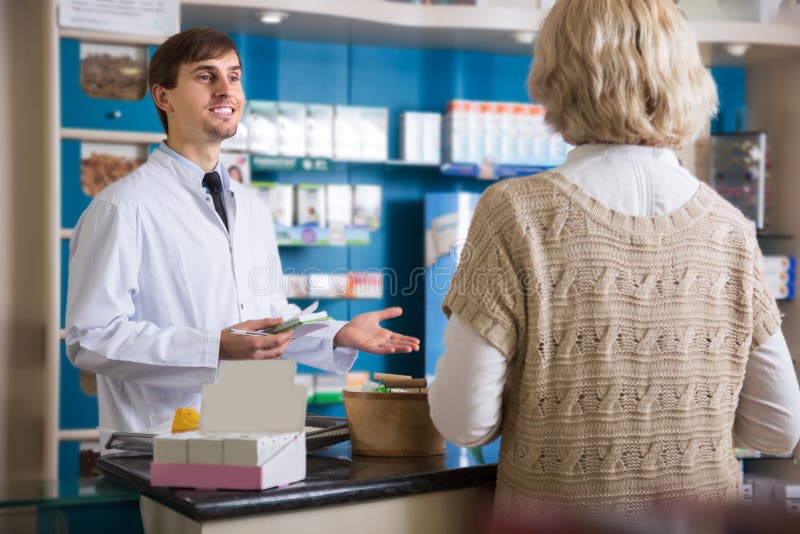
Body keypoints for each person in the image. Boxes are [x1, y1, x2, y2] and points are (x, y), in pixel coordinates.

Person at [429, 0, 800, 519]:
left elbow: (463, 422)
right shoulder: (730, 228)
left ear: (557, 75)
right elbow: (778, 427)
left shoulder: (515, 212)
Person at [65, 28, 420, 445]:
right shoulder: (123, 207)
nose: (225, 90)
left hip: (257, 425)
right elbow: (91, 340)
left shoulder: (250, 207)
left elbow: (267, 315)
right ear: (163, 97)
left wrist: (338, 333)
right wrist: (214, 347)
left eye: (233, 76)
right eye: (205, 76)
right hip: (163, 443)